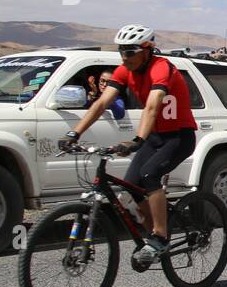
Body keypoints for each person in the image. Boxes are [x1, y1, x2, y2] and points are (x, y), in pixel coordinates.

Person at [62, 24, 198, 266]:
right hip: (155, 137)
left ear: (147, 50)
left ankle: (160, 236)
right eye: (121, 51)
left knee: (149, 174)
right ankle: (153, 238)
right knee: (132, 189)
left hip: (179, 136)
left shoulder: (161, 68)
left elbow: (153, 106)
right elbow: (102, 102)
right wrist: (75, 133)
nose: (125, 57)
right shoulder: (124, 71)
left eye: (131, 51)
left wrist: (137, 140)